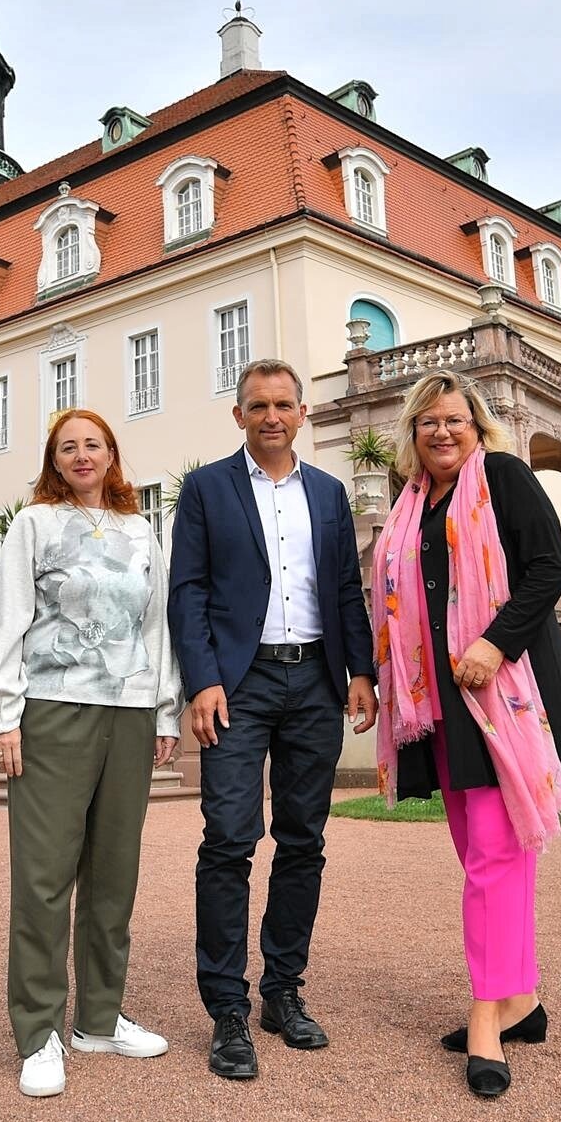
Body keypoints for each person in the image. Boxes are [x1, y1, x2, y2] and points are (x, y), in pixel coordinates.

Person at [370, 371, 561, 1099]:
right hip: (440, 702)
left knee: (493, 856)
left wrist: (496, 643)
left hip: (501, 691)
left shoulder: (500, 477)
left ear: (478, 427)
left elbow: (549, 568)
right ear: (412, 432)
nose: (442, 432)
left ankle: (486, 1021)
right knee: (485, 850)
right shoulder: (411, 503)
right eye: (429, 421)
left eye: (455, 420)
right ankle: (521, 1001)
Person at [166, 359, 378, 1081]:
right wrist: (202, 681)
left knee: (303, 839)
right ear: (239, 415)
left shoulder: (327, 492)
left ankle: (282, 991)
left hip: (316, 678)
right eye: (258, 405)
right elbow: (186, 592)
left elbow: (347, 589)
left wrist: (360, 671)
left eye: (283, 404)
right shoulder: (205, 489)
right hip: (240, 680)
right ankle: (227, 1005)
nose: (271, 416)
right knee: (228, 837)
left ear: (302, 412)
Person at [0, 409, 182, 1098]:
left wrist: (163, 707)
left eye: (93, 444)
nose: (83, 455)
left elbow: (156, 628)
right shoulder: (34, 524)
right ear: (54, 461)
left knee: (114, 871)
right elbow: (5, 618)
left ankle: (98, 1016)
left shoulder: (142, 531)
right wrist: (4, 714)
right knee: (44, 875)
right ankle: (39, 1032)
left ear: (112, 454)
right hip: (51, 710)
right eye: (69, 447)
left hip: (127, 713)